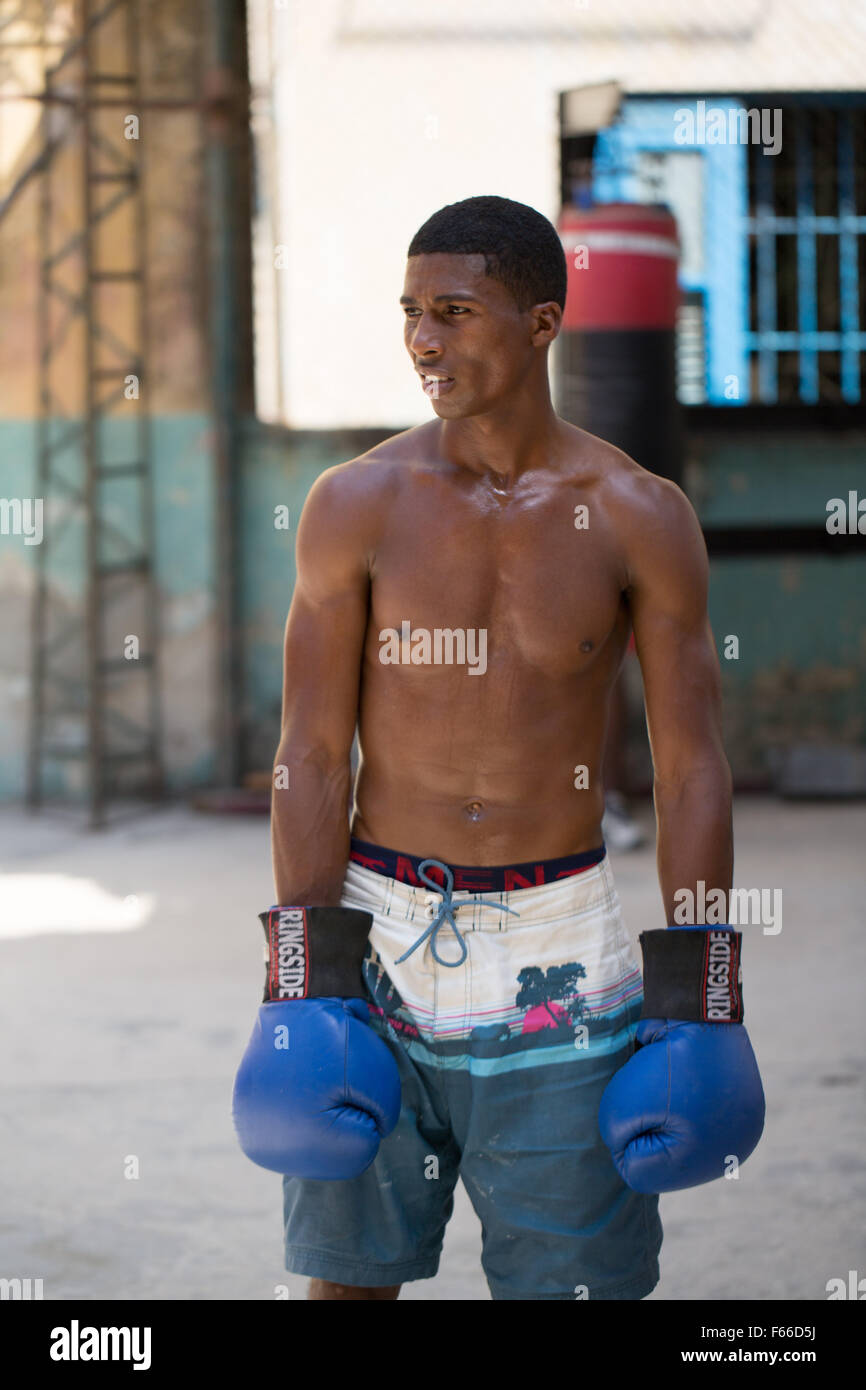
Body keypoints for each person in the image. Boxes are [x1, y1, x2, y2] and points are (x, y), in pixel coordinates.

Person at [233, 195, 764, 1301]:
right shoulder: (354, 502)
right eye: (411, 312)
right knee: (346, 1280)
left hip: (558, 945)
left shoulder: (636, 512)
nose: (424, 339)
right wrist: (301, 982)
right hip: (377, 937)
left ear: (539, 322)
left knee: (574, 1287)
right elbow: (311, 754)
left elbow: (690, 766)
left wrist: (704, 987)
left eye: (455, 311)